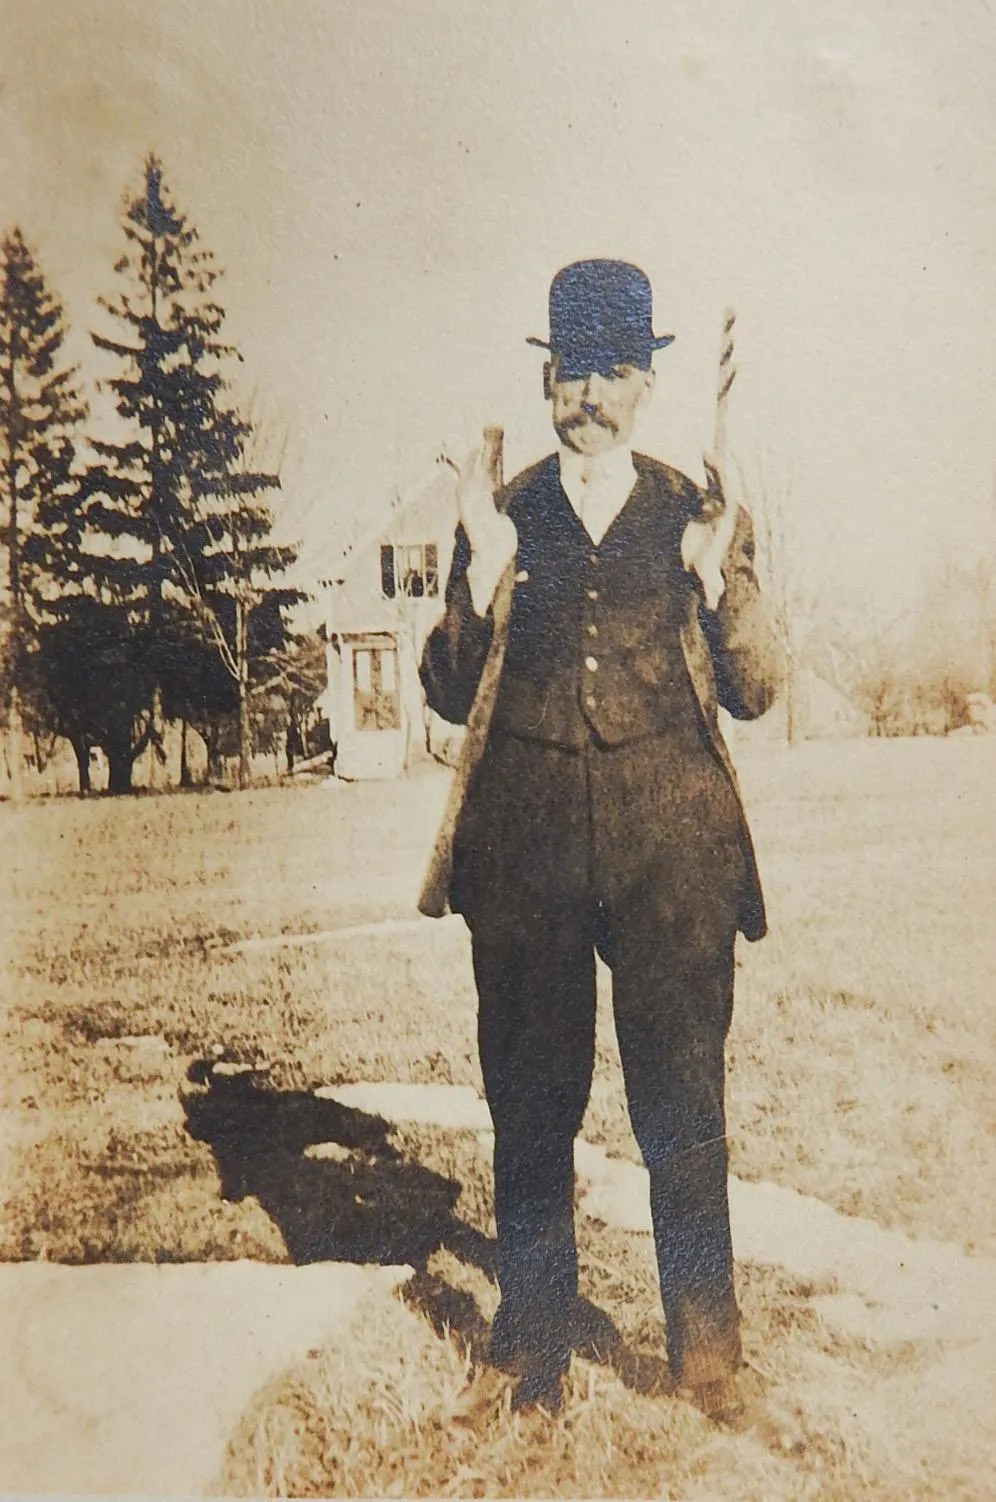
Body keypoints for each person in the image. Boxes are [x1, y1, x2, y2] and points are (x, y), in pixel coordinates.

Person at [420, 260, 784, 1422]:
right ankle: (528, 1346)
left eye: (614, 371)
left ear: (646, 381)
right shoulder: (502, 507)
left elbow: (759, 686)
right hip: (524, 848)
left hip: (673, 848)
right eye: (572, 370)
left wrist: (718, 568)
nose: (591, 394)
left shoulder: (694, 504)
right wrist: (471, 575)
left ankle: (708, 1354)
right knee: (530, 1100)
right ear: (546, 378)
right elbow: (440, 689)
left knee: (683, 1102)